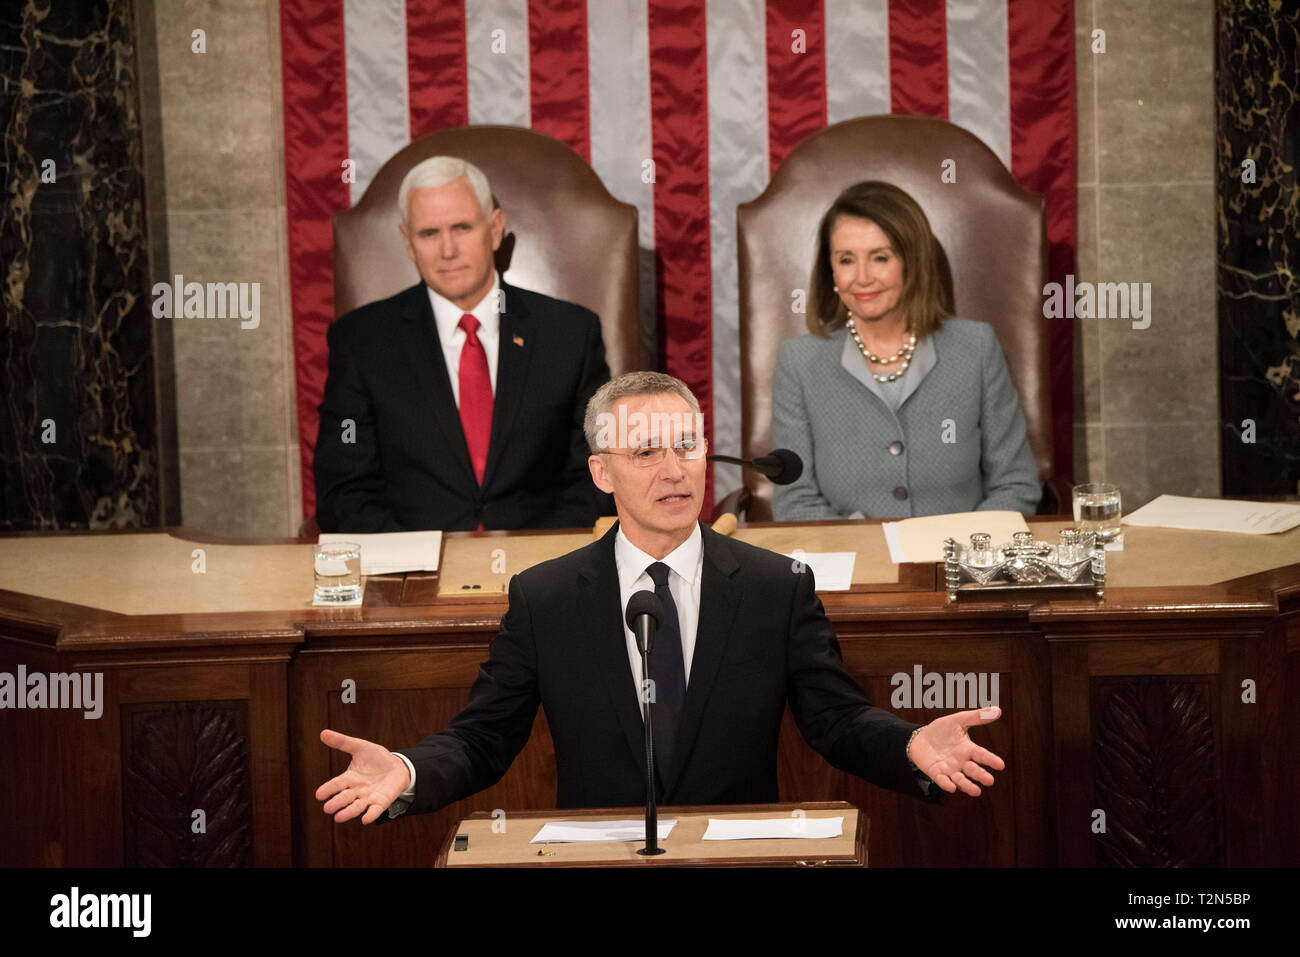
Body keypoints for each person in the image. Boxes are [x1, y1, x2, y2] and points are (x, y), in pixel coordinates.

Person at [315, 371, 1005, 825]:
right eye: (646, 453)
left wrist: (909, 742)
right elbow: (484, 738)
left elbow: (836, 720)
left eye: (687, 446)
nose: (675, 471)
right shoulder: (546, 597)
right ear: (601, 472)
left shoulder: (775, 587)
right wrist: (406, 770)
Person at [313, 156, 611, 532]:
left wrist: (541, 562)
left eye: (462, 227)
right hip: (411, 573)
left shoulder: (570, 334)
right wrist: (416, 563)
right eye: (429, 234)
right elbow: (344, 490)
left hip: (544, 570)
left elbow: (597, 475)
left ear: (495, 229)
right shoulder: (362, 341)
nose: (448, 250)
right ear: (408, 242)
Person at [771, 181, 1041, 520]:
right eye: (846, 260)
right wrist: (868, 551)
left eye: (880, 258)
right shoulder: (799, 362)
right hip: (853, 566)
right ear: (831, 272)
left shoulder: (976, 348)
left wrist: (962, 552)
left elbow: (1016, 484)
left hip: (961, 564)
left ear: (912, 262)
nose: (862, 278)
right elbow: (795, 499)